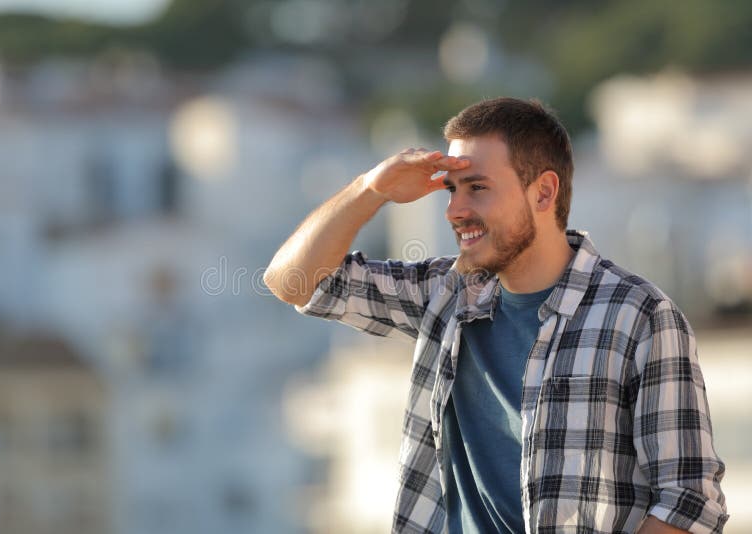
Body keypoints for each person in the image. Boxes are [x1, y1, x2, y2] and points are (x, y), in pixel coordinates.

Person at [264, 97, 728, 534]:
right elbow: (294, 282)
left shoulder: (639, 316)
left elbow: (689, 502)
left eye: (477, 188)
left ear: (544, 192)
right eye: (452, 190)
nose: (454, 210)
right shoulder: (445, 296)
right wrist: (371, 189)